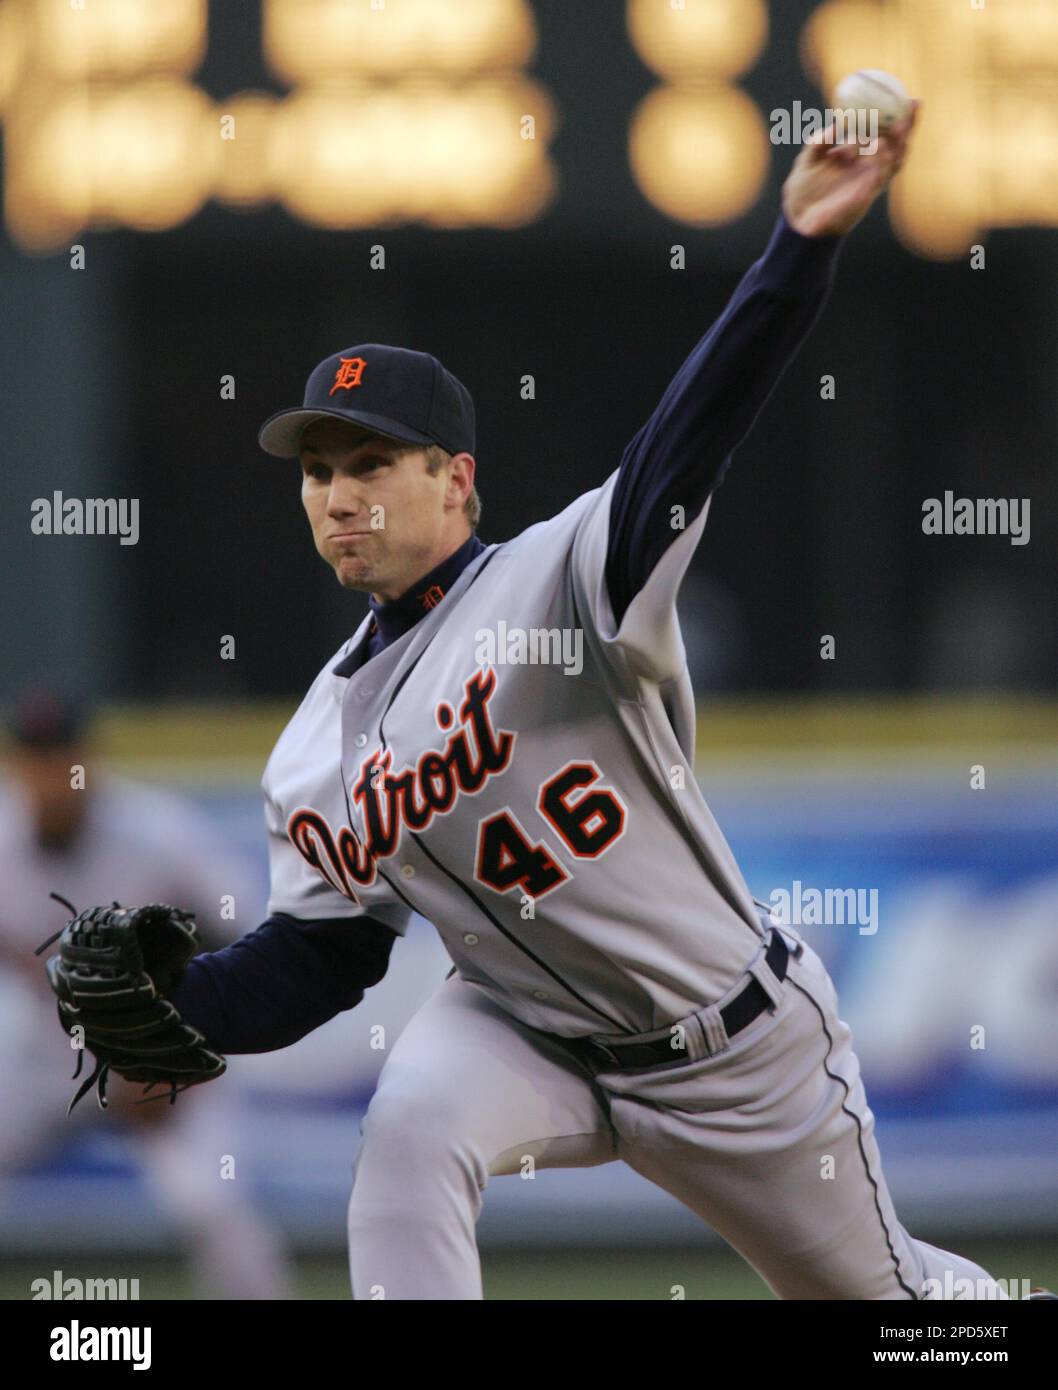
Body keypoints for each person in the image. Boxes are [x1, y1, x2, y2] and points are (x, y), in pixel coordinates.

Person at [54, 104, 1042, 1300]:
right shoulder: (314, 740)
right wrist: (181, 1001)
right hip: (522, 1033)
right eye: (317, 471)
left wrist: (796, 248)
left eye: (371, 462)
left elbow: (694, 430)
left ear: (457, 480)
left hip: (731, 1048)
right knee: (409, 1132)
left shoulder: (563, 579)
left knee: (890, 1308)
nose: (336, 495)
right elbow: (321, 961)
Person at [1, 691, 290, 1299]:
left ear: (89, 760)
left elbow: (247, 942)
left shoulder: (156, 834)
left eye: (62, 757)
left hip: (168, 1053)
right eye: (35, 759)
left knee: (211, 1205)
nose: (51, 776)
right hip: (50, 1059)